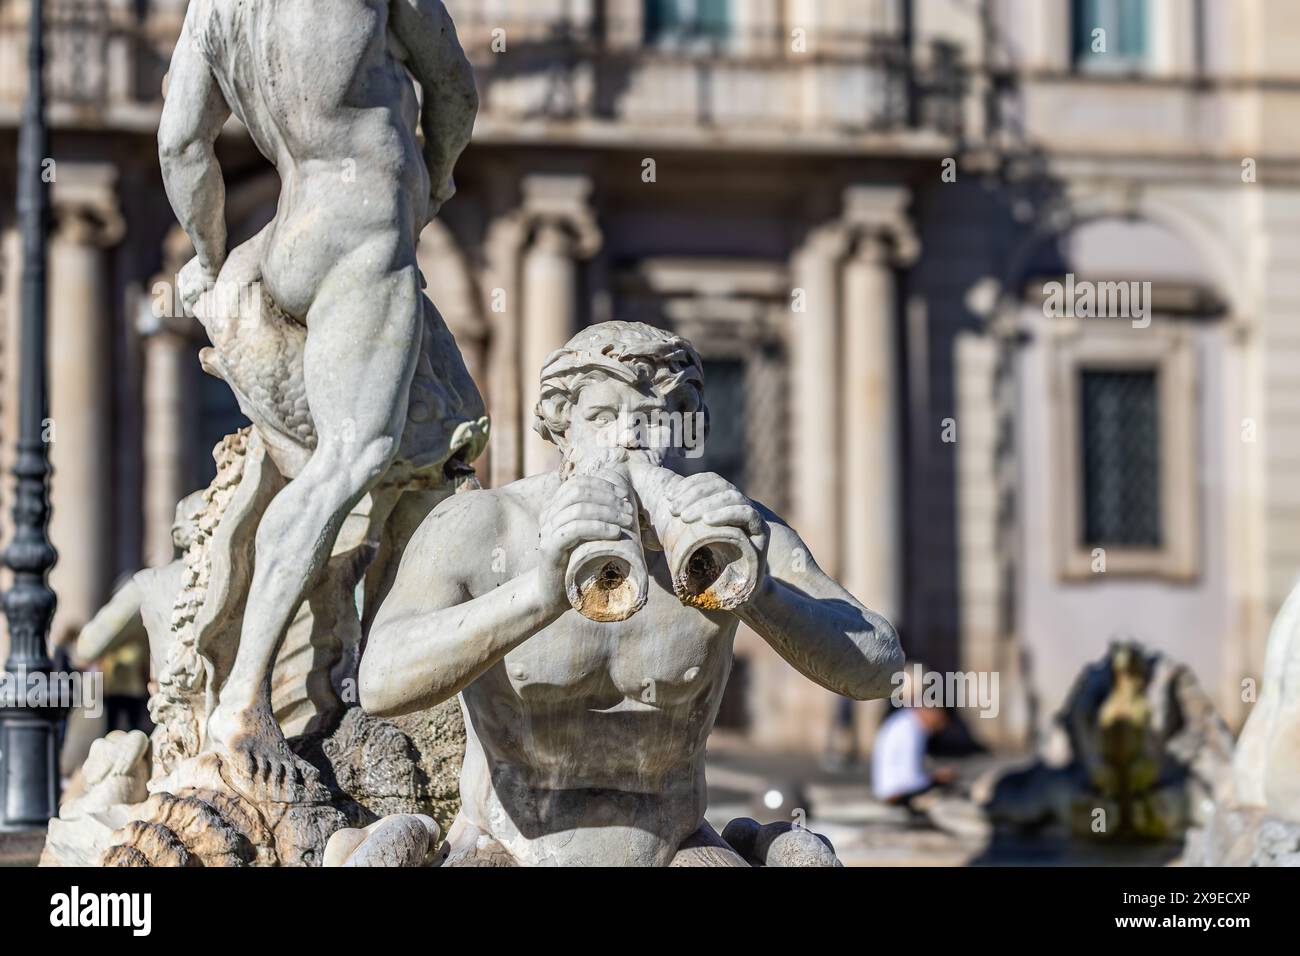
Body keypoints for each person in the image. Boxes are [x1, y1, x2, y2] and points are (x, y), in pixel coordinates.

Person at [360, 322, 905, 866]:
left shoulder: (733, 530)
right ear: (561, 425)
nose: (628, 440)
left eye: (652, 422)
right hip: (508, 846)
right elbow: (380, 683)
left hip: (674, 848)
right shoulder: (485, 526)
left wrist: (760, 592)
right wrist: (541, 594)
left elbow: (879, 669)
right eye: (602, 417)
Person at [156, 0, 477, 799]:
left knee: (446, 437)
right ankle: (243, 702)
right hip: (365, 231)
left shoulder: (214, 9)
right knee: (352, 457)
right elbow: (456, 92)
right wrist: (432, 183)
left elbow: (180, 144)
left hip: (276, 247)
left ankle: (371, 672)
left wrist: (209, 254)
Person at [872, 700, 955, 809]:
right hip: (896, 794)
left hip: (890, 790)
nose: (940, 726)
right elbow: (909, 780)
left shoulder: (905, 721)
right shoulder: (910, 729)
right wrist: (936, 779)